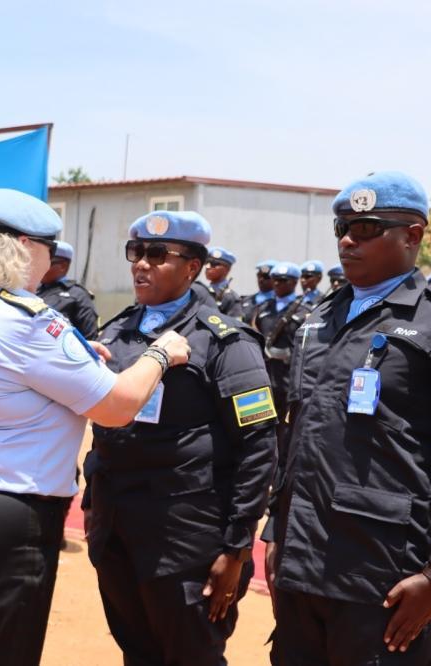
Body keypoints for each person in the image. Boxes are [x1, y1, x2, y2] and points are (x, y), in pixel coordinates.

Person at [0, 188, 191, 666]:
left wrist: (76, 359)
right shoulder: (28, 320)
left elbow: (0, 380)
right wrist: (160, 354)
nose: (49, 267)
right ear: (25, 247)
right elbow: (117, 406)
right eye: (49, 253)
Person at [262, 171, 431, 666]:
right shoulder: (319, 317)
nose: (348, 241)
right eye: (342, 228)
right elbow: (297, 434)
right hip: (301, 562)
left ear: (412, 236)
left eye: (367, 228)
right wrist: (275, 530)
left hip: (383, 571)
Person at [82, 209, 277, 665]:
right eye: (136, 253)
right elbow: (103, 425)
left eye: (157, 255)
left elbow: (258, 445)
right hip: (118, 531)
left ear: (192, 267)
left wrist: (236, 545)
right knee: (138, 650)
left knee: (191, 656)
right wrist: (94, 500)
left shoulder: (226, 342)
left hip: (185, 538)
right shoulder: (117, 331)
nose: (141, 265)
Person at [253, 261, 309, 456]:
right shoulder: (263, 308)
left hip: (288, 379)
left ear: (294, 283)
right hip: (264, 376)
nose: (277, 284)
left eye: (283, 280)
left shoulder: (304, 311)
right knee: (260, 421)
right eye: (274, 280)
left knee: (286, 426)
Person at [36, 240, 99, 339]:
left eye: (48, 263)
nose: (41, 267)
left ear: (63, 266)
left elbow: (90, 338)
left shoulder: (78, 296)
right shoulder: (34, 290)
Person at [202, 246, 243, 317]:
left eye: (214, 264)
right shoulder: (202, 291)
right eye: (206, 262)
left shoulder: (230, 297)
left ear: (227, 269)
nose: (207, 266)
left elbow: (235, 325)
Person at [240, 258, 277, 325]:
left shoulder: (278, 302)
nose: (261, 279)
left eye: (266, 277)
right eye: (259, 276)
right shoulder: (246, 300)